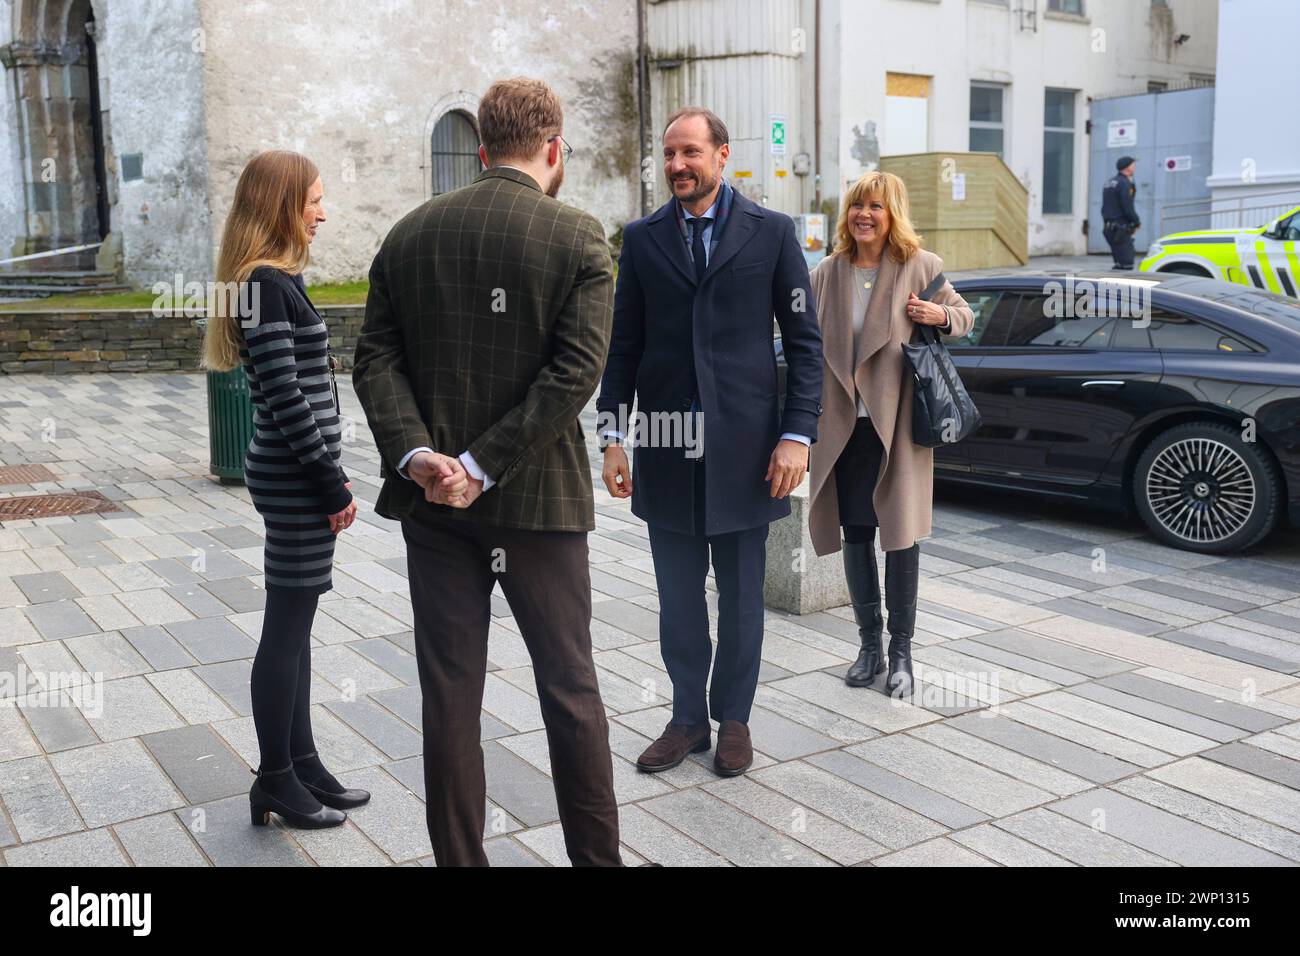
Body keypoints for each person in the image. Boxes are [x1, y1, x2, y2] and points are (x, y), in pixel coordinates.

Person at [352, 77, 621, 866]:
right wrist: (482, 464)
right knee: (571, 695)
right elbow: (575, 375)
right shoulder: (578, 238)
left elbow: (374, 359)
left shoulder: (409, 233)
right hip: (538, 506)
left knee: (450, 702)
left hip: (436, 510)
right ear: (554, 148)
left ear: (479, 150)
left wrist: (423, 457)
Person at [597, 107, 823, 777]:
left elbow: (807, 346)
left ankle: (735, 721)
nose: (676, 166)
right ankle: (687, 718)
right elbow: (624, 347)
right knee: (678, 600)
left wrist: (796, 435)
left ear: (723, 156)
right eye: (668, 154)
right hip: (666, 454)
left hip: (749, 455)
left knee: (743, 597)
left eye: (690, 152)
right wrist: (612, 436)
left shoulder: (773, 233)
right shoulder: (640, 240)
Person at [202, 150, 370, 829]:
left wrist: (329, 469)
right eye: (313, 202)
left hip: (297, 474)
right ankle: (275, 777)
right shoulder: (265, 285)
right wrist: (330, 484)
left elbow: (298, 391)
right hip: (298, 480)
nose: (323, 213)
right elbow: (287, 395)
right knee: (286, 628)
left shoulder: (270, 281)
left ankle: (301, 762)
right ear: (281, 207)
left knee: (296, 627)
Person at [806, 171, 974, 697]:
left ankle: (901, 651)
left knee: (899, 537)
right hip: (842, 428)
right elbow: (803, 343)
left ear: (892, 214)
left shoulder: (919, 268)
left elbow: (967, 318)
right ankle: (868, 646)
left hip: (897, 427)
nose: (864, 216)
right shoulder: (826, 274)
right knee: (856, 533)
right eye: (857, 206)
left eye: (876, 207)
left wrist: (940, 314)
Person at [1101, 157, 1140, 270]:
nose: (1135, 167)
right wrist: (1136, 222)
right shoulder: (1124, 183)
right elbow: (1127, 207)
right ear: (1127, 167)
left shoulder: (1110, 182)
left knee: (1119, 263)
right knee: (1127, 264)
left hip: (1109, 228)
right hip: (1120, 229)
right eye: (1133, 164)